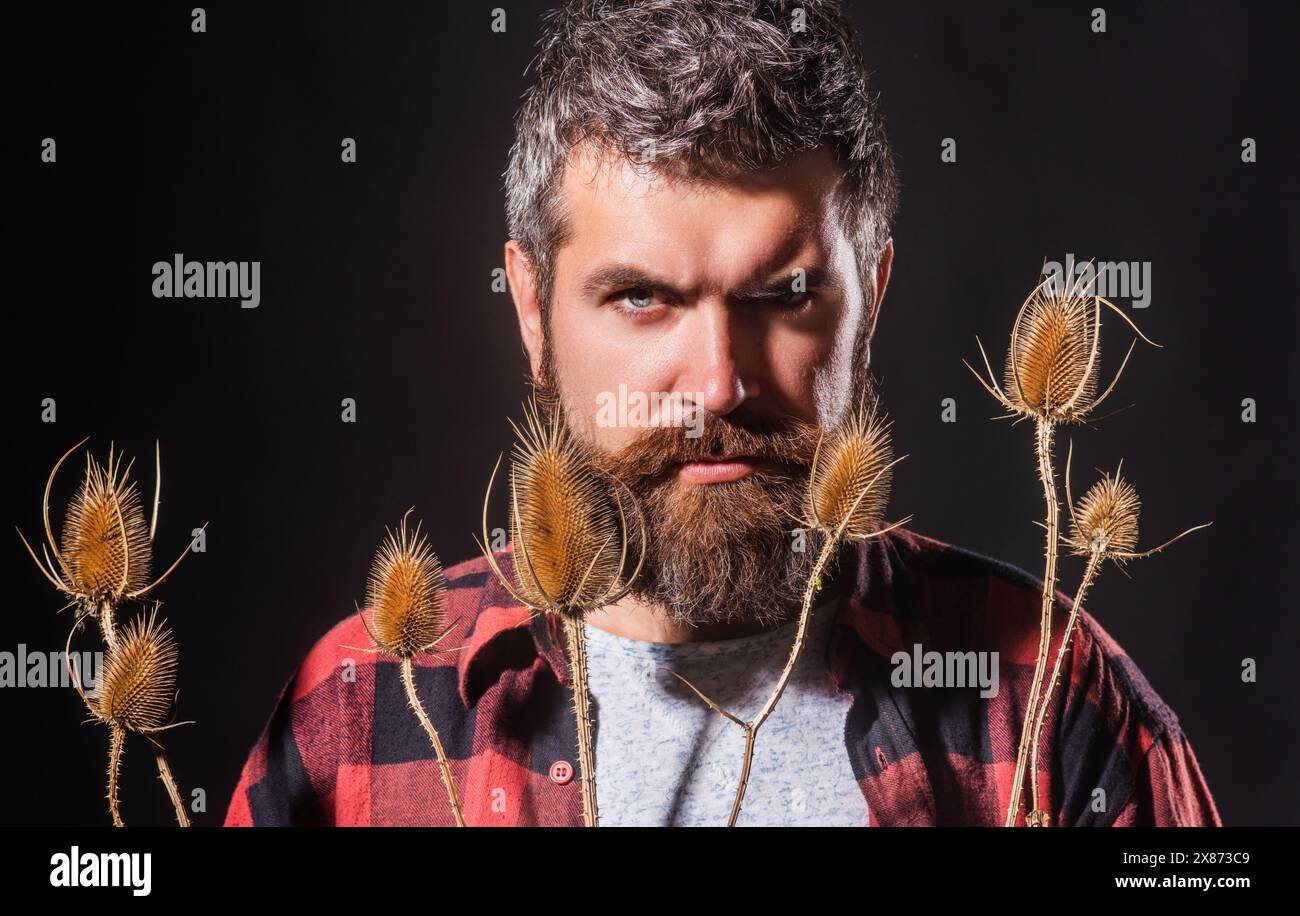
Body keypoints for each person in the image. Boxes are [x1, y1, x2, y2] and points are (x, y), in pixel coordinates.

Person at [225, 0, 1219, 827]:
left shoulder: (1055, 697)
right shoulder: (353, 715)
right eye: (641, 298)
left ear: (867, 299)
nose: (716, 385)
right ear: (532, 311)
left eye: (782, 297)